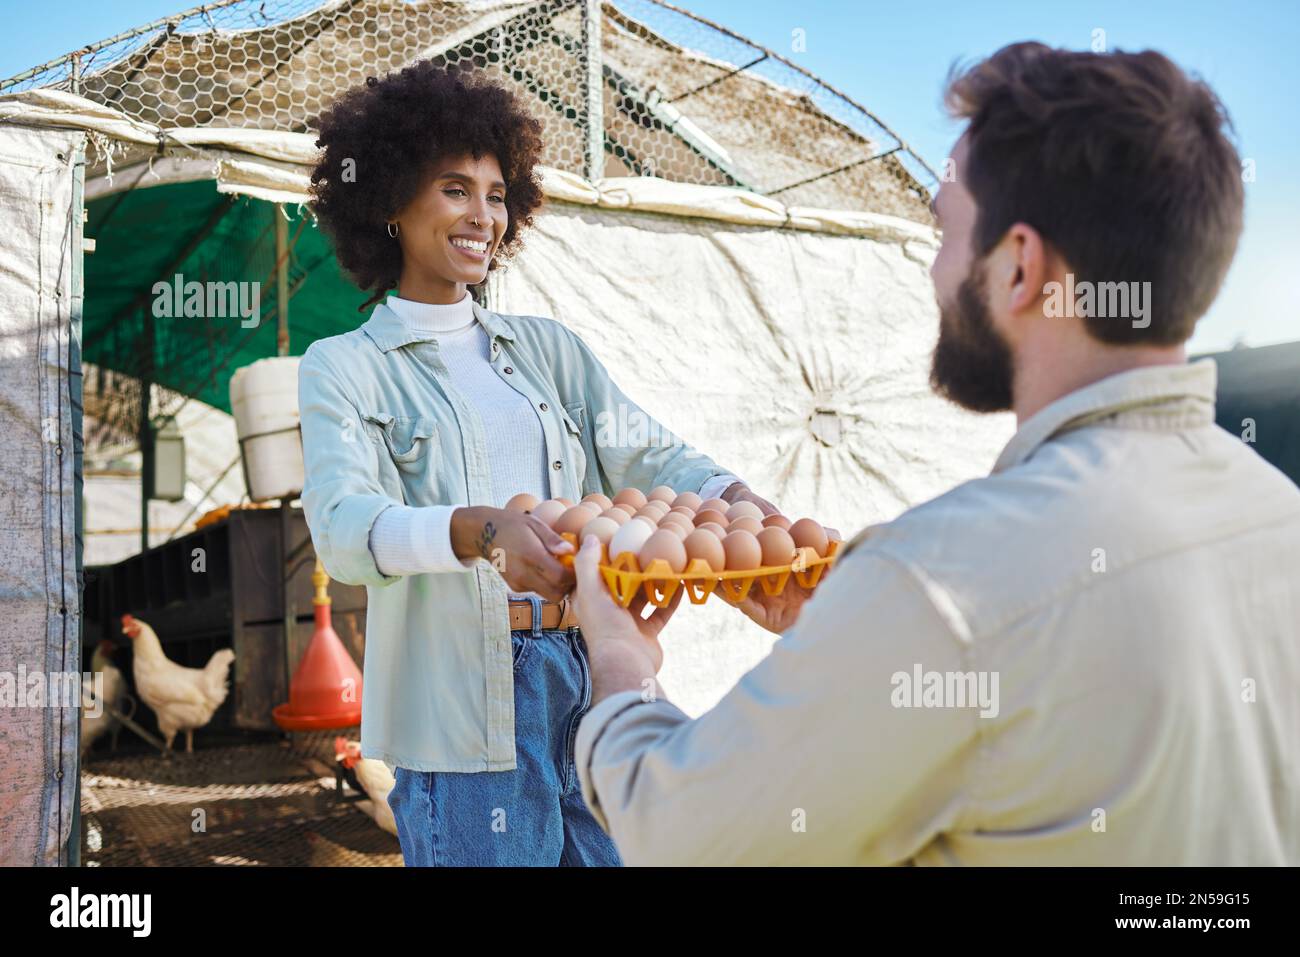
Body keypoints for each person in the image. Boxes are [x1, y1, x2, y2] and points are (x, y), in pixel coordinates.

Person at [569, 42, 1300, 865]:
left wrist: (624, 663)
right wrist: (851, 643)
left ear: (1020, 266)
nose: (935, 270)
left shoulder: (944, 576)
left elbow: (684, 832)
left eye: (943, 232)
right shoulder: (1278, 518)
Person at [298, 63, 777, 866]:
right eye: (455, 189)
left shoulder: (550, 352)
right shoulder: (345, 366)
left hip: (585, 671)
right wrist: (480, 530)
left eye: (496, 192)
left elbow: (651, 449)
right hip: (459, 704)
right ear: (388, 202)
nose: (483, 215)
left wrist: (736, 498)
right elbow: (344, 528)